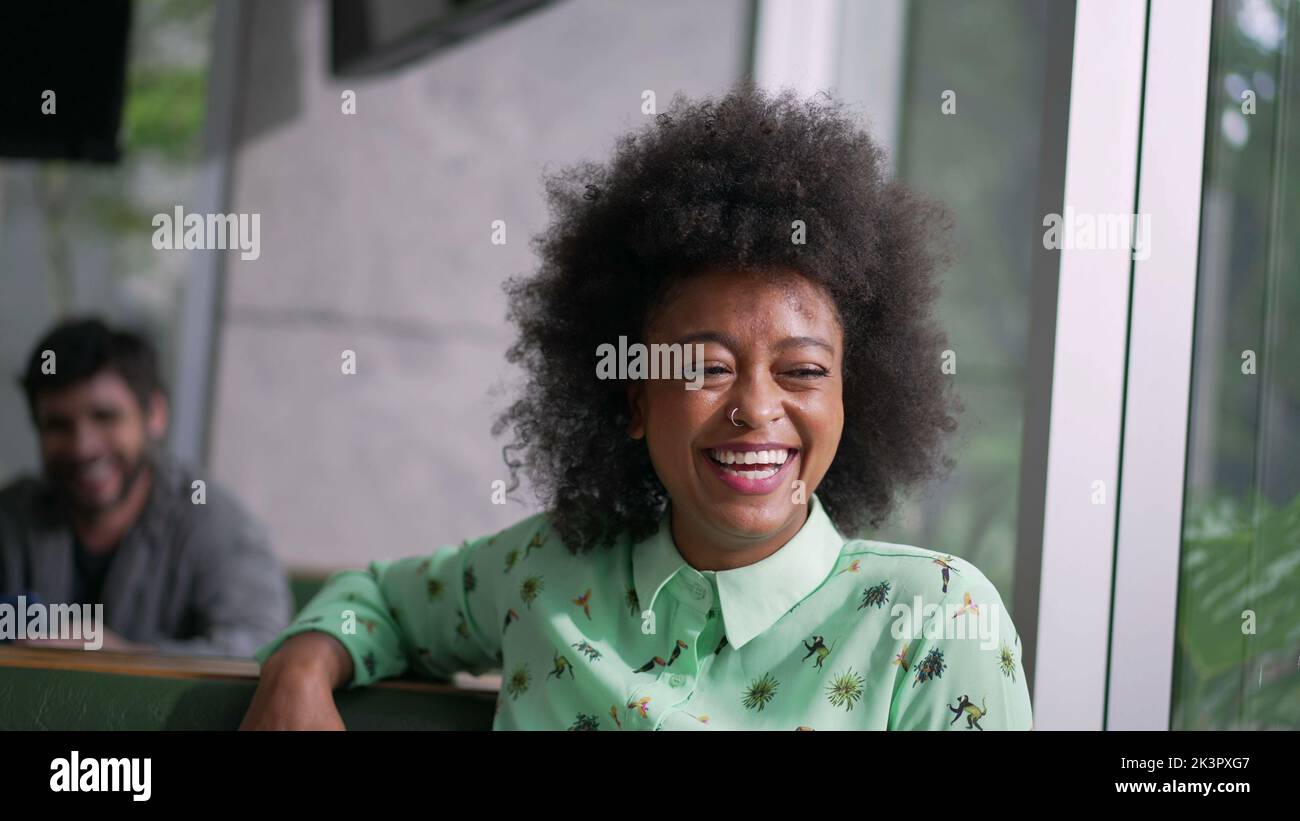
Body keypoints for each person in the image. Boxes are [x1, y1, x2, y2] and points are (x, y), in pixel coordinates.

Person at [242, 82, 1033, 730]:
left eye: (801, 371)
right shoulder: (543, 573)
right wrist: (302, 668)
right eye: (708, 367)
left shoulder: (933, 619)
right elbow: (379, 599)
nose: (758, 408)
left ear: (850, 400)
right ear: (633, 398)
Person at [0, 318, 292, 656]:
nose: (83, 447)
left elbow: (260, 648)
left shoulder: (216, 522)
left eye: (105, 417)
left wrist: (123, 655)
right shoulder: (12, 516)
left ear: (154, 414)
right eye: (59, 425)